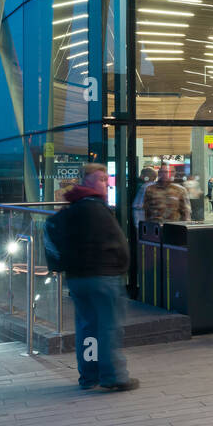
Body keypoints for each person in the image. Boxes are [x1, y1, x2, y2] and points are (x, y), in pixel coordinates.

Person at [47, 163, 138, 391]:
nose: (106, 184)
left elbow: (51, 233)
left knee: (87, 328)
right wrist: (122, 266)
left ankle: (88, 376)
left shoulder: (69, 211)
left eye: (106, 180)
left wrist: (61, 265)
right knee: (109, 327)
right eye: (100, 179)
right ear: (86, 181)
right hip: (103, 276)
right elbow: (118, 243)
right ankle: (114, 376)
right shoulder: (97, 209)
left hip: (77, 279)